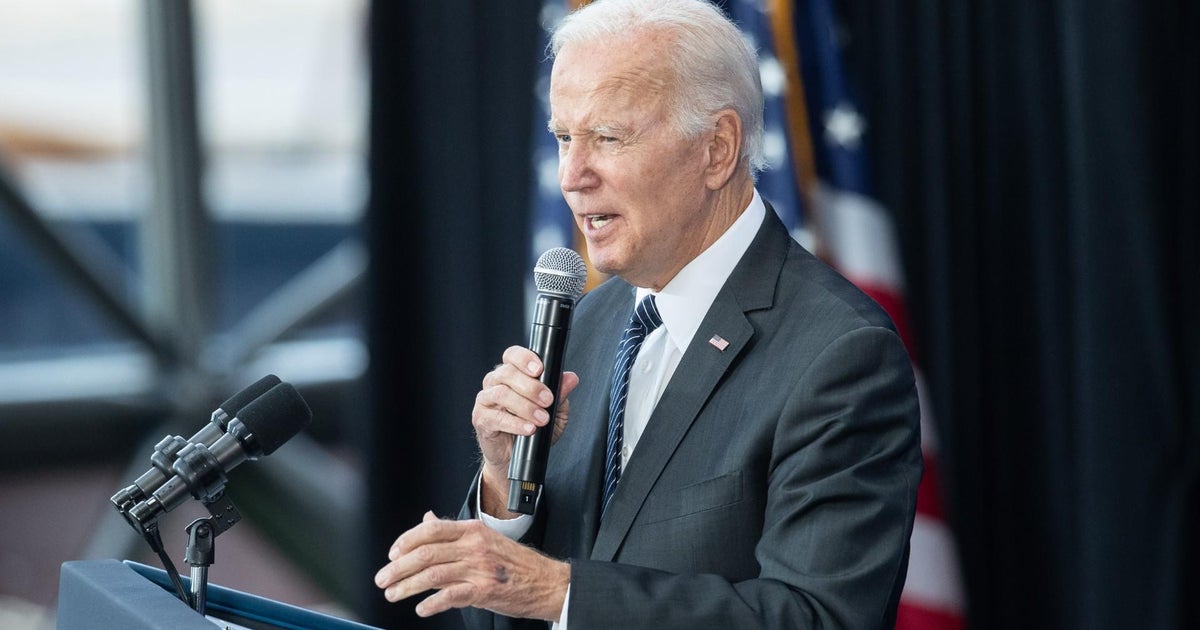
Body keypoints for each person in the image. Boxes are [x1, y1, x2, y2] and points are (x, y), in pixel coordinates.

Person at [373, 0, 922, 627]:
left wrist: (559, 592)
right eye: (563, 138)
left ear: (716, 150)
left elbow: (817, 618)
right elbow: (502, 616)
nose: (572, 177)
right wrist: (504, 487)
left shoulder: (839, 353)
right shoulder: (582, 325)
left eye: (608, 137)